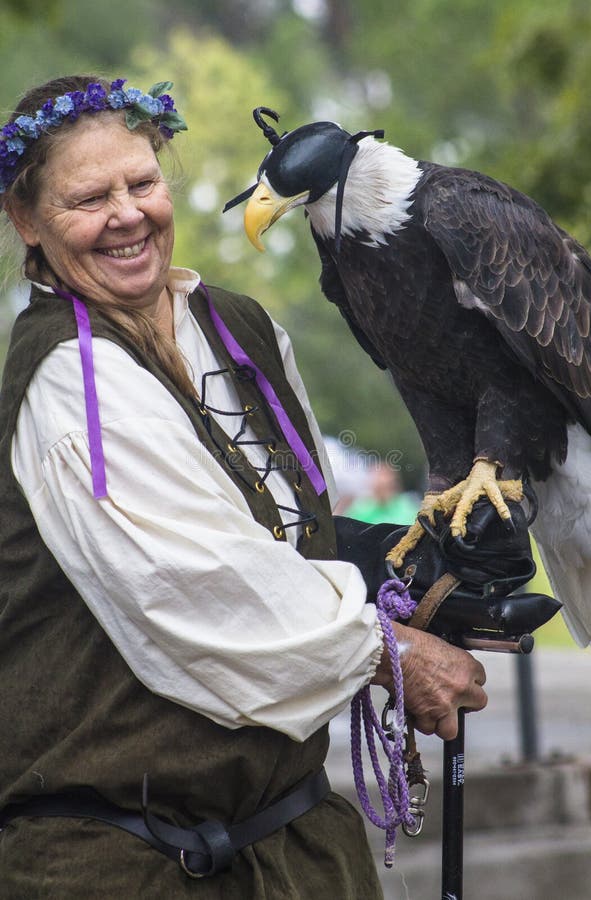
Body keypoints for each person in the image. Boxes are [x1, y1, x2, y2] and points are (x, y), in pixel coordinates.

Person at [0, 74, 531, 899]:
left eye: (142, 183)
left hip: (295, 847)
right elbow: (196, 583)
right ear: (27, 221)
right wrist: (384, 649)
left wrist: (406, 574)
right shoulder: (72, 381)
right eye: (88, 198)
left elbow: (285, 532)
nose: (127, 214)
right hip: (115, 862)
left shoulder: (238, 326)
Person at [345, 461, 422, 526]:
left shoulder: (407, 507)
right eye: (380, 488)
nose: (384, 493)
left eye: (387, 486)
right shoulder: (362, 508)